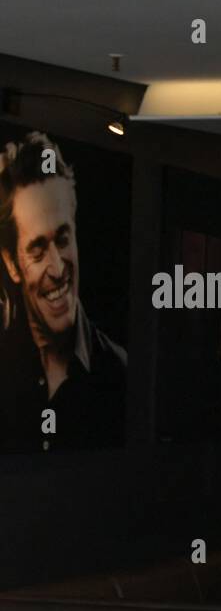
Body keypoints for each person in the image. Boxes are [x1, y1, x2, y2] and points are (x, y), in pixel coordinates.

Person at [0, 132, 126, 453]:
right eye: (38, 250)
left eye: (62, 239)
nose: (57, 270)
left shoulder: (121, 375)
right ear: (12, 264)